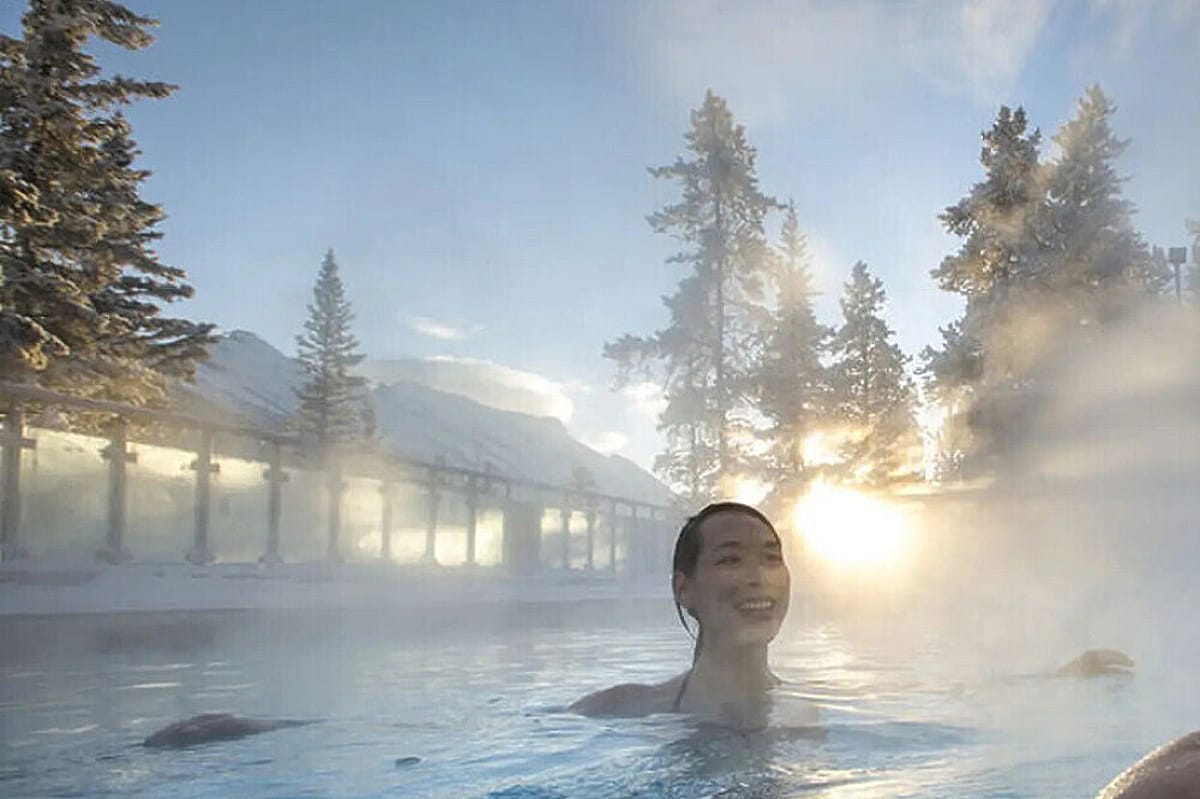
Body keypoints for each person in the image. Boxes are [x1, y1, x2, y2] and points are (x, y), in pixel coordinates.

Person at [569, 501, 795, 727]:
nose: (758, 577)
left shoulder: (812, 712)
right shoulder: (616, 709)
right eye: (730, 559)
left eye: (771, 558)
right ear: (683, 589)